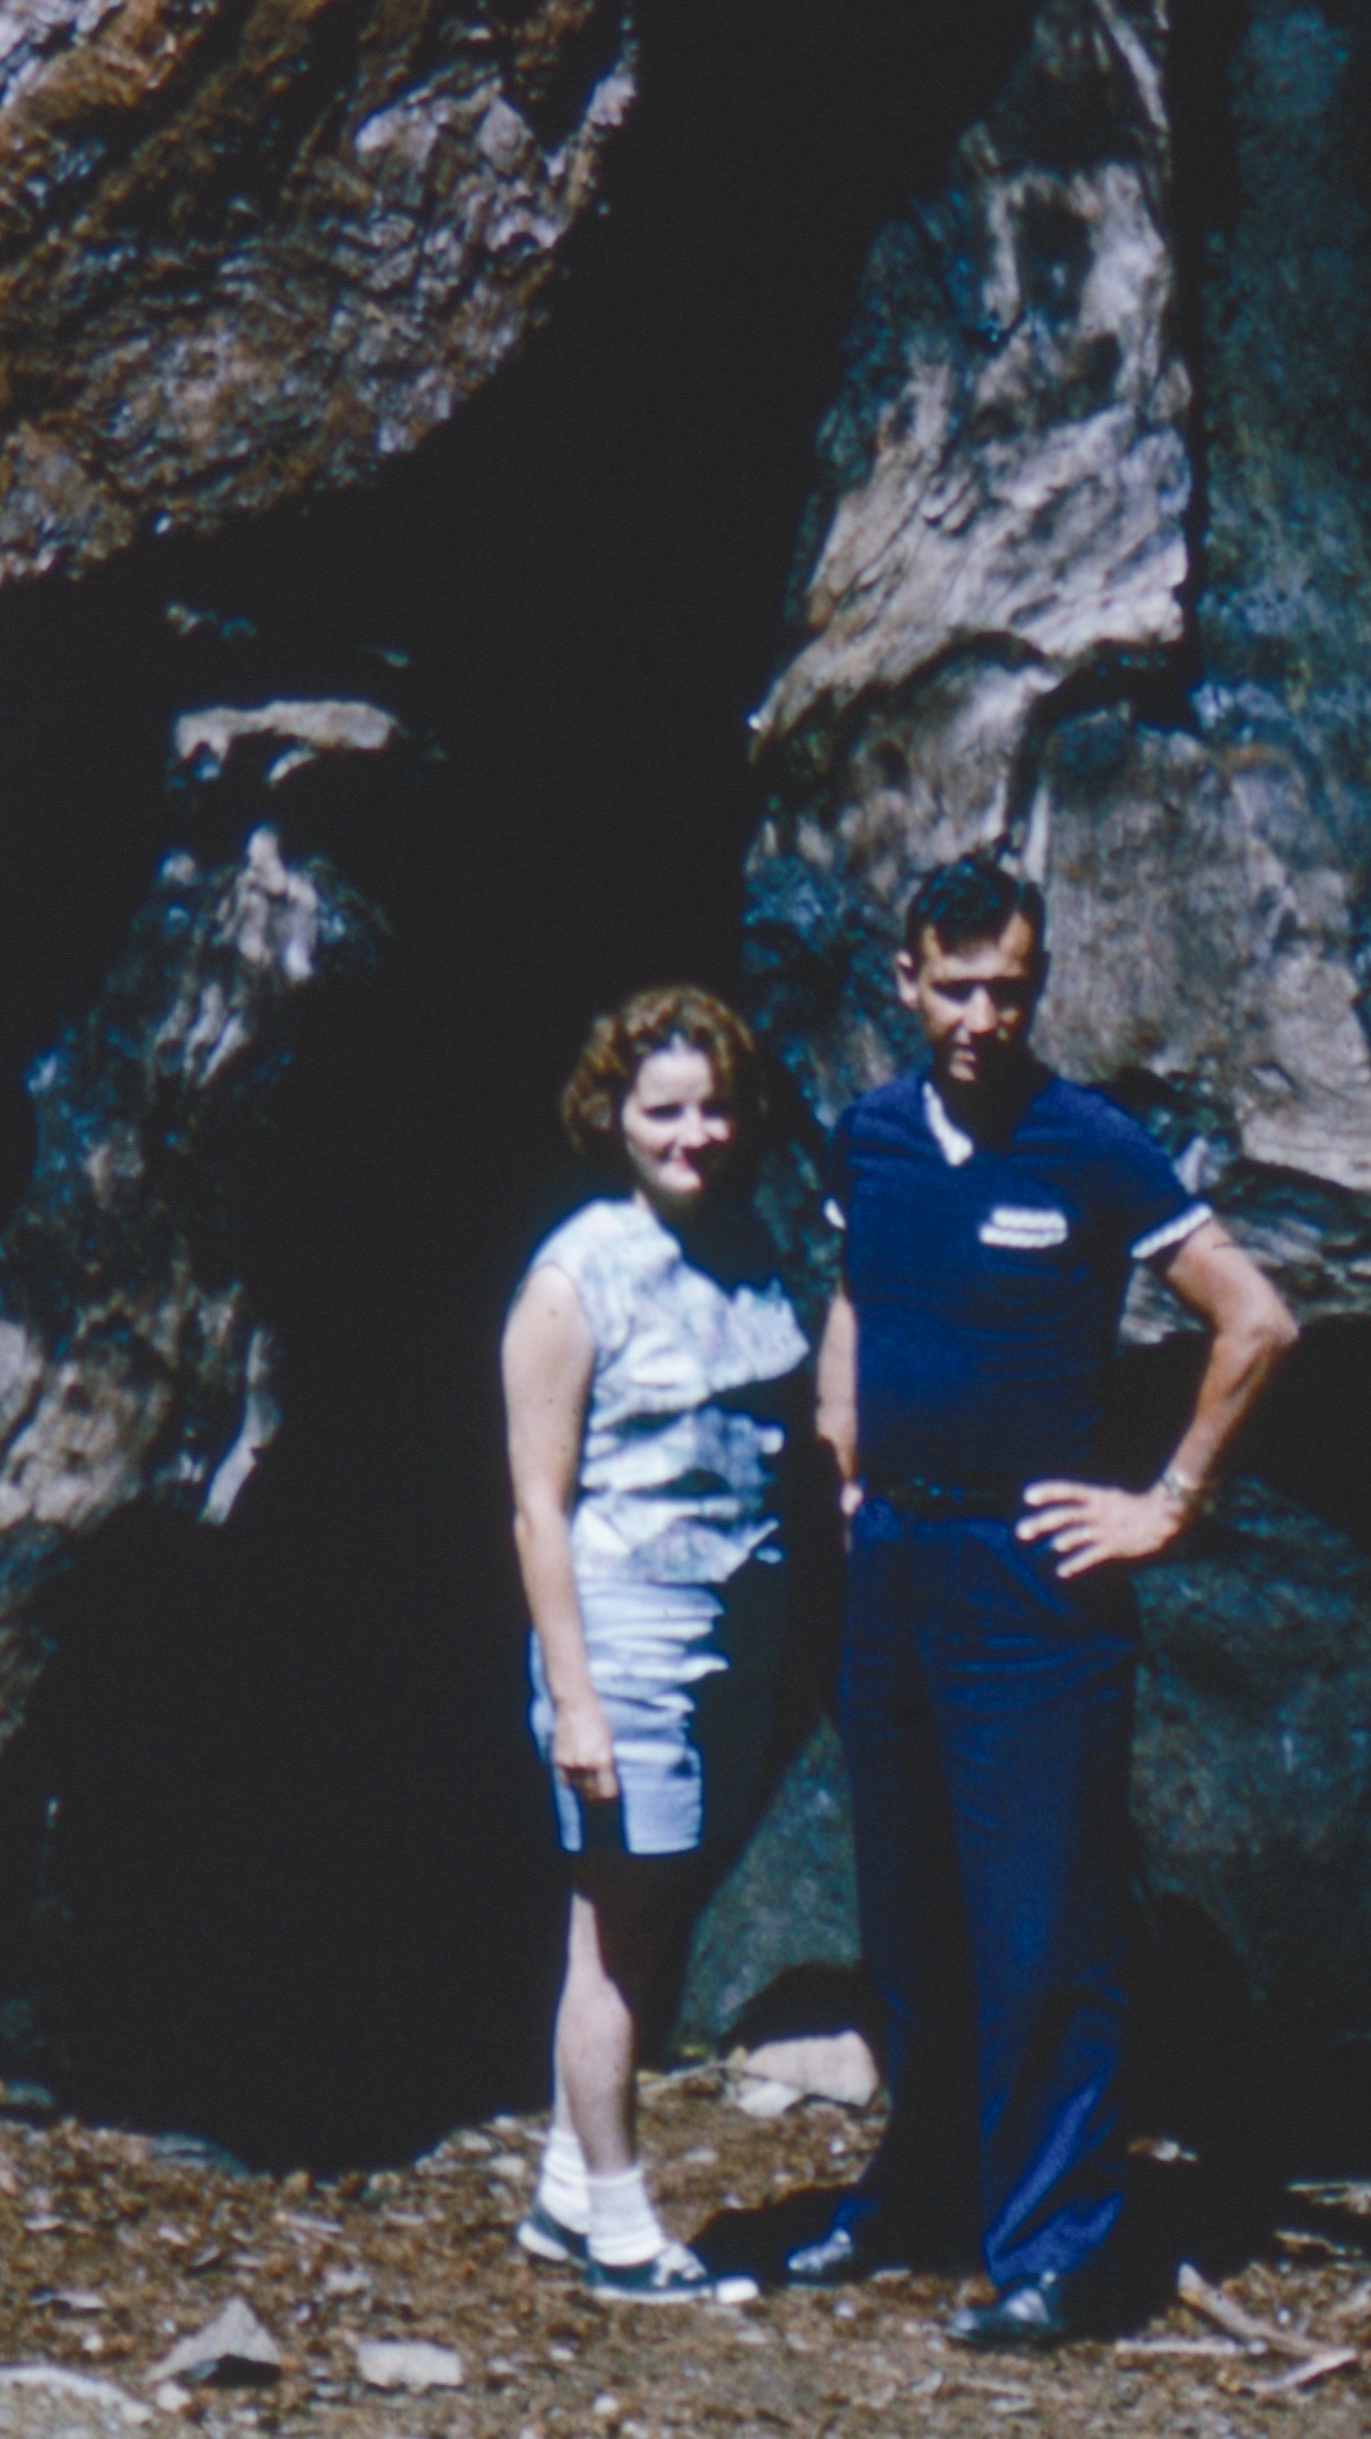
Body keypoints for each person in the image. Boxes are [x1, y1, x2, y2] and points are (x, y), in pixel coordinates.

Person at [735, 854, 1291, 2346]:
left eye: (1011, 989)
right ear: (906, 983)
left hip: (1030, 1580)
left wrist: (1165, 1503)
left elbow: (1257, 1317)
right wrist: (846, 1457)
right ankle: (923, 2192)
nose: (983, 1016)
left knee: (1042, 1924)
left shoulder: (1090, 1143)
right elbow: (856, 1297)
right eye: (957, 986)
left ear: (1038, 989)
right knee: (912, 1917)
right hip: (894, 1571)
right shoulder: (869, 1134)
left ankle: (1058, 2248)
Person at [501, 980, 813, 2302]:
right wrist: (573, 1697)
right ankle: (624, 2232)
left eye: (715, 1107)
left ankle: (566, 2197)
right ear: (614, 1115)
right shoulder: (578, 1274)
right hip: (624, 1634)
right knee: (616, 1934)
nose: (695, 1133)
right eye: (664, 1110)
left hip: (734, 1626)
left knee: (644, 1915)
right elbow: (537, 1504)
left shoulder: (748, 1245)